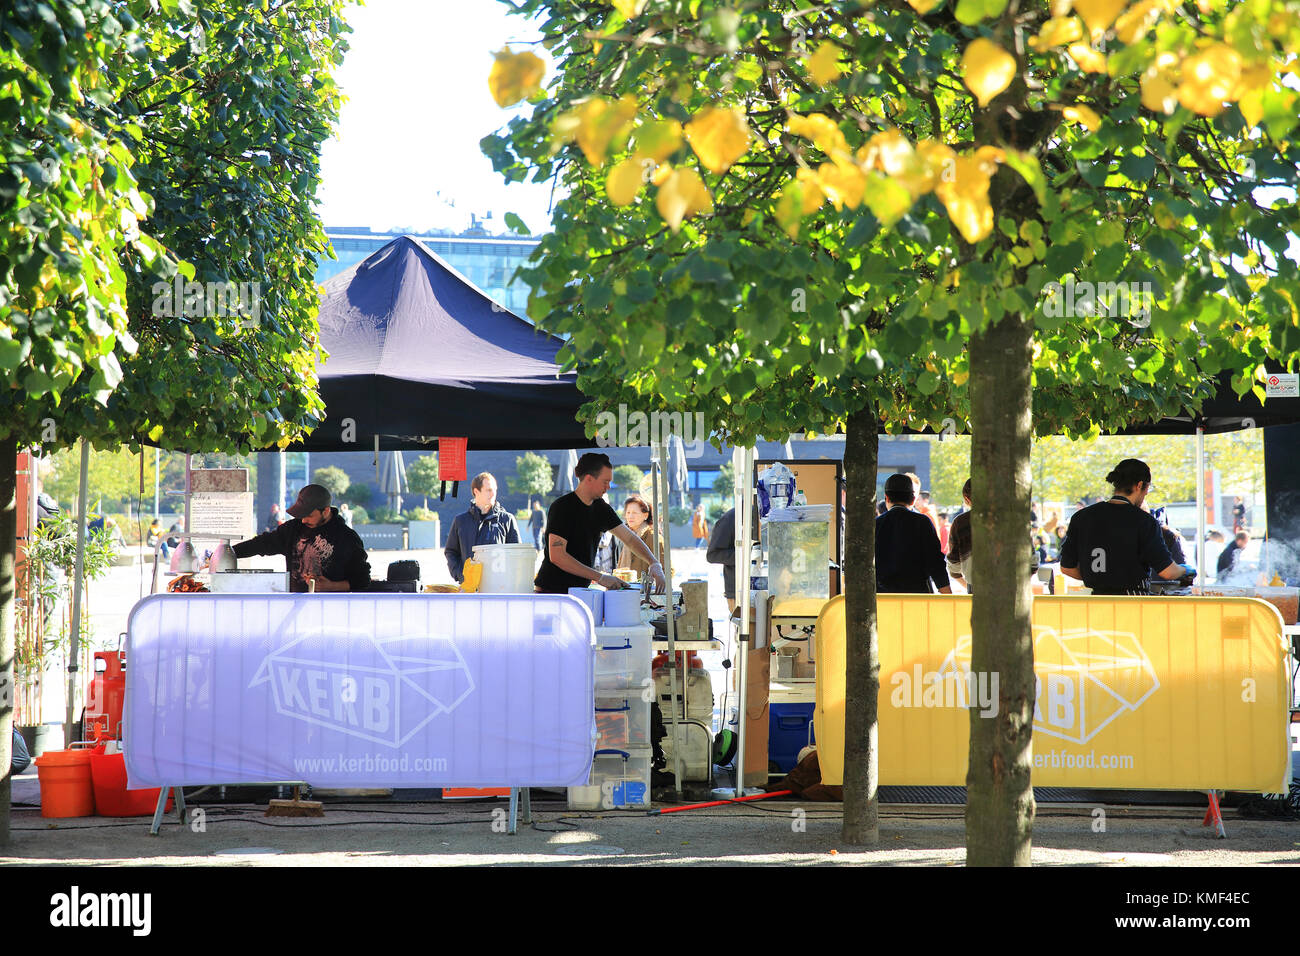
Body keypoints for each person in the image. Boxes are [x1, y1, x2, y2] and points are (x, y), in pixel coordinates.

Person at [1058, 458, 1194, 596]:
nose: (1146, 494)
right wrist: (1186, 570)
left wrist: (1098, 577)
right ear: (1139, 485)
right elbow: (1168, 572)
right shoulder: (1144, 521)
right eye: (1148, 488)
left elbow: (1067, 568)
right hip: (1133, 603)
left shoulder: (1081, 517)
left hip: (1096, 603)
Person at [534, 453, 666, 593]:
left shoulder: (601, 508)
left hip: (579, 591)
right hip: (551, 591)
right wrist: (600, 577)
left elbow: (630, 538)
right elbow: (558, 556)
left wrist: (653, 562)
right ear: (589, 479)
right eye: (605, 481)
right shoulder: (562, 507)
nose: (608, 487)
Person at [232, 484, 370, 592]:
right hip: (295, 604)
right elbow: (261, 544)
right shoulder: (293, 528)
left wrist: (332, 586)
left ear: (326, 511)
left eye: (309, 515)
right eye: (301, 515)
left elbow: (362, 579)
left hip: (331, 608)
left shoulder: (347, 538)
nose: (303, 520)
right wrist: (228, 553)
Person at [876, 473, 951, 594]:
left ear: (887, 498)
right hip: (917, 596)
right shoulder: (922, 522)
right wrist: (947, 594)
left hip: (883, 597)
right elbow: (936, 563)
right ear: (912, 500)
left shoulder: (876, 524)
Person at [444, 472, 519, 583]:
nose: (493, 494)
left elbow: (516, 555)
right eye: (489, 490)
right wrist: (462, 576)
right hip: (469, 591)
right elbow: (451, 552)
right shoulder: (460, 521)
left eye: (495, 490)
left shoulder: (507, 520)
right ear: (476, 491)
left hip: (498, 588)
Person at [615, 495, 662, 575]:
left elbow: (667, 569)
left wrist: (651, 584)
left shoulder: (653, 537)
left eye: (634, 513)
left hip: (644, 586)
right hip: (625, 585)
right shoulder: (625, 536)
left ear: (645, 515)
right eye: (628, 512)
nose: (630, 516)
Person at [706, 506, 737, 613]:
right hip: (737, 591)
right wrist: (744, 555)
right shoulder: (730, 518)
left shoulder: (771, 515)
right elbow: (712, 555)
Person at [946, 479, 974, 592]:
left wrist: (967, 585)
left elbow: (954, 565)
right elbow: (1031, 564)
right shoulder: (1014, 520)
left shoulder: (961, 523)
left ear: (967, 499)